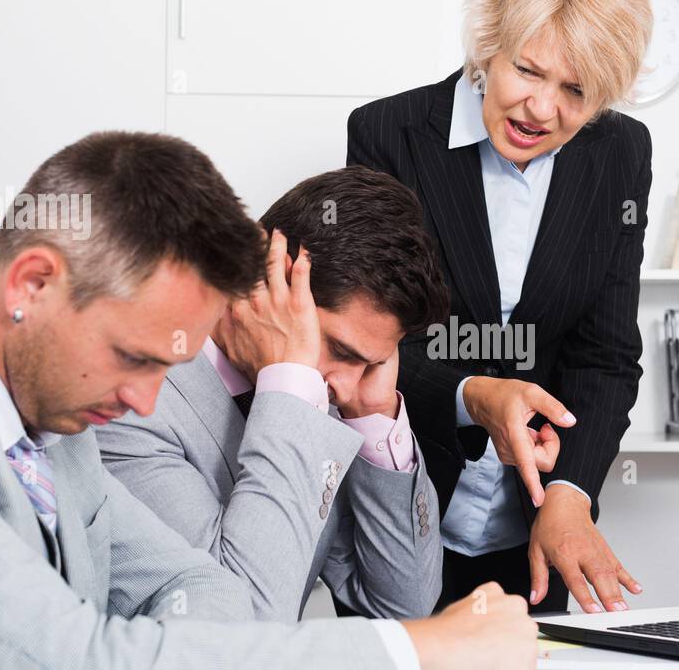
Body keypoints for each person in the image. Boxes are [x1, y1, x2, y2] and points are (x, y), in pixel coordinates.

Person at [0, 131, 536, 670]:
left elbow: (220, 602)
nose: (143, 400)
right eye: (135, 357)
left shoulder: (47, 419)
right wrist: (415, 654)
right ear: (32, 285)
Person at [347, 0, 654, 615]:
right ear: (490, 43)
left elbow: (605, 355)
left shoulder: (620, 152)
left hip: (538, 526)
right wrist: (474, 394)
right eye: (528, 70)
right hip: (405, 510)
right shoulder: (388, 134)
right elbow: (362, 340)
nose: (542, 108)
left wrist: (571, 496)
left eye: (576, 90)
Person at [96, 167, 448, 620]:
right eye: (341, 349)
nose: (344, 387)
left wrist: (375, 416)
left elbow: (404, 606)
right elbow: (238, 625)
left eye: (370, 362)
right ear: (268, 277)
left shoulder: (326, 397)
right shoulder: (127, 402)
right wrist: (289, 389)